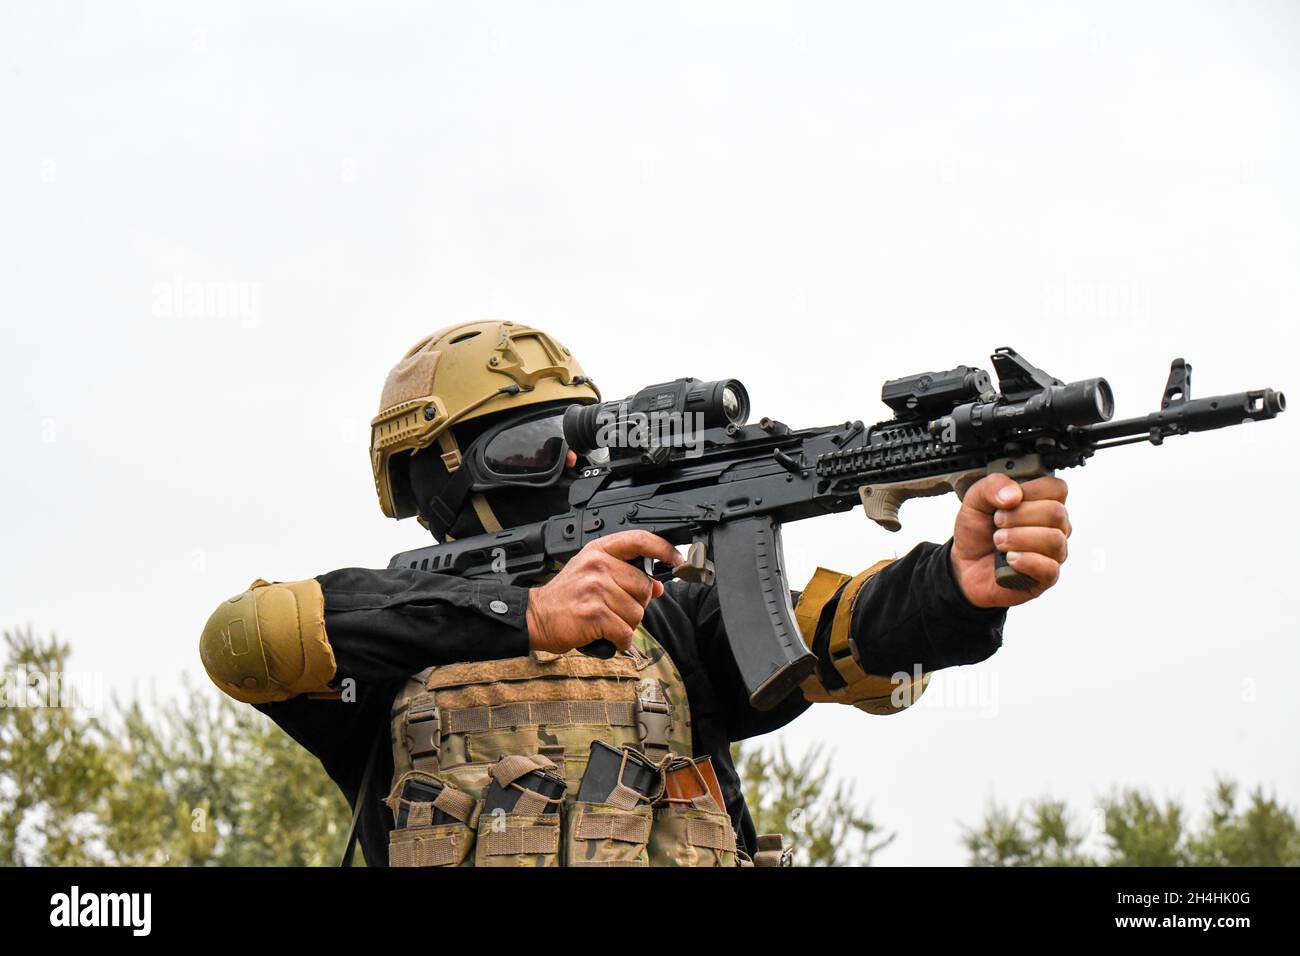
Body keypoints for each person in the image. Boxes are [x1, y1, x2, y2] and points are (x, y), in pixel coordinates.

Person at [199, 320, 1072, 866]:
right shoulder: (391, 641)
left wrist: (957, 586)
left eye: (582, 436)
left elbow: (837, 633)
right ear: (438, 477)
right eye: (534, 445)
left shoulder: (669, 624)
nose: (573, 462)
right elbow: (241, 637)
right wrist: (528, 616)